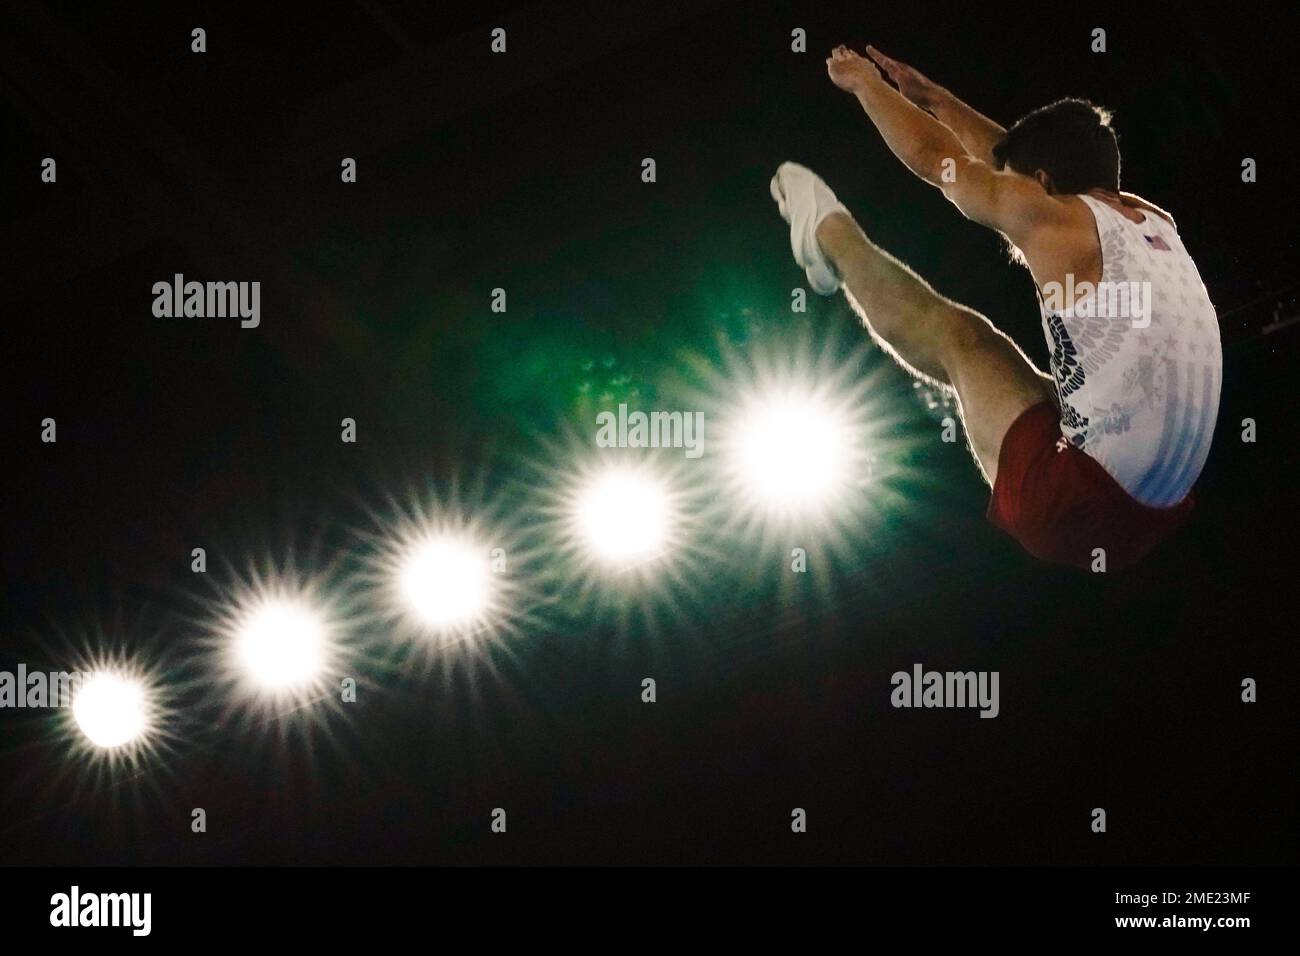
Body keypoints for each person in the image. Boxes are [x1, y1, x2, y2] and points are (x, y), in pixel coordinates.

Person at [770, 45, 1222, 569]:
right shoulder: (1154, 221)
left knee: (960, 338)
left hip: (1073, 503)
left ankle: (826, 232)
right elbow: (1013, 162)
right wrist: (936, 98)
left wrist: (864, 85)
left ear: (1043, 185)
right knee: (1050, 379)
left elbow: (942, 163)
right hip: (1161, 504)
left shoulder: (1055, 218)